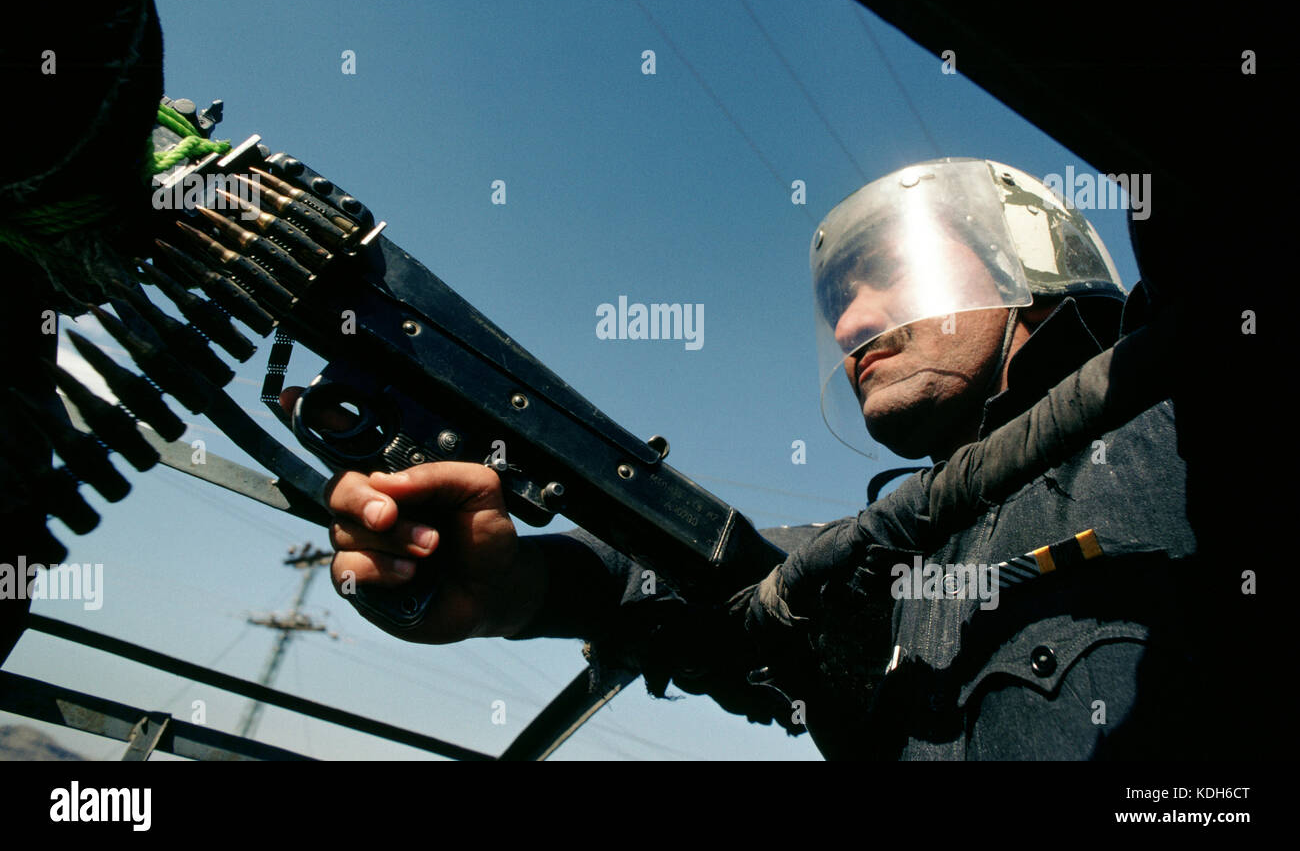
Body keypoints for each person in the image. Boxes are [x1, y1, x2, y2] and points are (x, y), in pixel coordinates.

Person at [291, 157, 1218, 759]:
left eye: (889, 273)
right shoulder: (891, 557)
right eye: (838, 304)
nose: (853, 325)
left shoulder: (1186, 417)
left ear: (1031, 260)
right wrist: (515, 583)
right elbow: (684, 582)